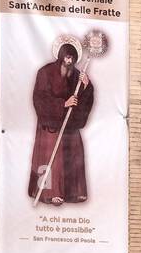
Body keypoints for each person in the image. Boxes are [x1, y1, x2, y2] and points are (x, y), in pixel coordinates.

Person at [27, 42, 94, 205]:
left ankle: (73, 192)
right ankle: (50, 193)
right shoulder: (45, 72)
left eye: (72, 58)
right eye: (67, 57)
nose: (69, 62)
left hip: (69, 124)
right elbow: (39, 98)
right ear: (61, 56)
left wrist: (86, 86)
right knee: (52, 156)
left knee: (75, 152)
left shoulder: (77, 75)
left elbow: (84, 100)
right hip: (51, 123)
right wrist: (62, 104)